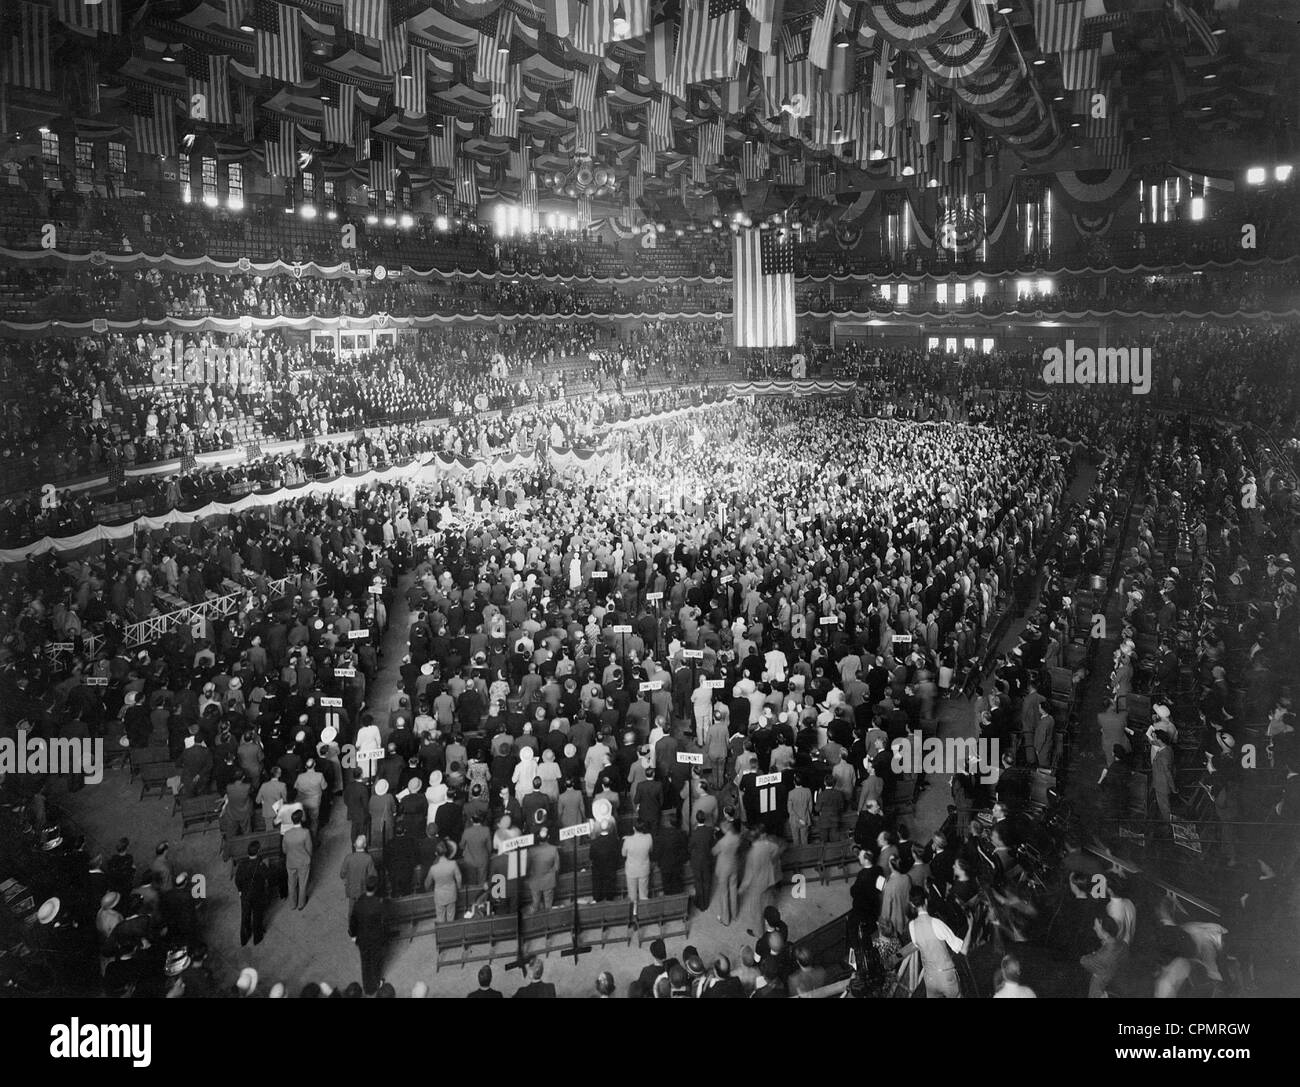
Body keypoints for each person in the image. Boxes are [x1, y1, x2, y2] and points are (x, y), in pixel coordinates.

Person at [907, 887, 965, 998]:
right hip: (946, 976)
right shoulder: (936, 923)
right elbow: (958, 947)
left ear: (912, 904)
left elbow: (916, 943)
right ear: (926, 901)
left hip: (929, 978)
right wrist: (971, 927)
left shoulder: (911, 926)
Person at [739, 827, 784, 936]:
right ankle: (772, 928)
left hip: (758, 886)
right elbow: (777, 850)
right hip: (770, 880)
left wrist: (741, 889)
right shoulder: (768, 845)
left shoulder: (752, 855)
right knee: (769, 906)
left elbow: (748, 877)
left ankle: (759, 933)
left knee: (757, 912)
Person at [349, 876, 387, 995]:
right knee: (375, 961)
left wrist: (354, 935)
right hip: (375, 938)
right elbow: (383, 921)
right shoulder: (378, 904)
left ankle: (368, 987)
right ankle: (376, 982)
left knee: (365, 962)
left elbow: (353, 920)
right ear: (375, 888)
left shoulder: (359, 902)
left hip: (362, 937)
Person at [1080, 914, 1128, 998]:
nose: (1094, 928)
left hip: (1099, 991)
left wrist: (1094, 955)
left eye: (1096, 926)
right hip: (1113, 986)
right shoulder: (1123, 945)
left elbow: (1083, 961)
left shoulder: (1103, 955)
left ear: (1104, 930)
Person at [234, 839, 272, 947]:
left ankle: (244, 938)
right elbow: (268, 876)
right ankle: (257, 937)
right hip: (257, 894)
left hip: (245, 894)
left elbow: (237, 879)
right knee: (257, 915)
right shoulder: (261, 865)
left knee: (245, 916)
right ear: (258, 851)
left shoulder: (242, 864)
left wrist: (240, 890)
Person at [711, 818, 742, 925]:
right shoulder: (737, 837)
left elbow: (714, 852)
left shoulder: (722, 842)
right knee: (733, 889)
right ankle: (734, 914)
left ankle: (725, 919)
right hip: (734, 864)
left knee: (724, 893)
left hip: (723, 868)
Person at [622, 819, 654, 919]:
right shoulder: (649, 838)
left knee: (632, 894)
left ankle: (634, 913)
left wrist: (628, 839)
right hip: (644, 869)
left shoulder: (627, 841)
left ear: (633, 828)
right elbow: (651, 850)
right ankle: (644, 913)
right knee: (644, 893)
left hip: (631, 870)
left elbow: (623, 854)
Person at [424, 840, 463, 922]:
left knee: (440, 918)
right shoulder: (453, 864)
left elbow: (427, 883)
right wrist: (459, 887)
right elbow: (459, 877)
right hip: (451, 894)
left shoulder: (433, 868)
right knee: (451, 917)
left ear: (436, 853)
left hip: (439, 896)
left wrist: (428, 890)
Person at [526, 827, 560, 913]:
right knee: (548, 906)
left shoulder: (531, 851)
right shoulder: (553, 849)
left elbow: (527, 866)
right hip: (549, 881)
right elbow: (557, 867)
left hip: (534, 881)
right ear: (548, 837)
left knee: (535, 905)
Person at [340, 835, 376, 912]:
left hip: (352, 890)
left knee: (352, 910)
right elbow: (372, 876)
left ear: (355, 845)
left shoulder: (348, 858)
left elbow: (342, 874)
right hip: (363, 890)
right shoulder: (368, 858)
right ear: (365, 845)